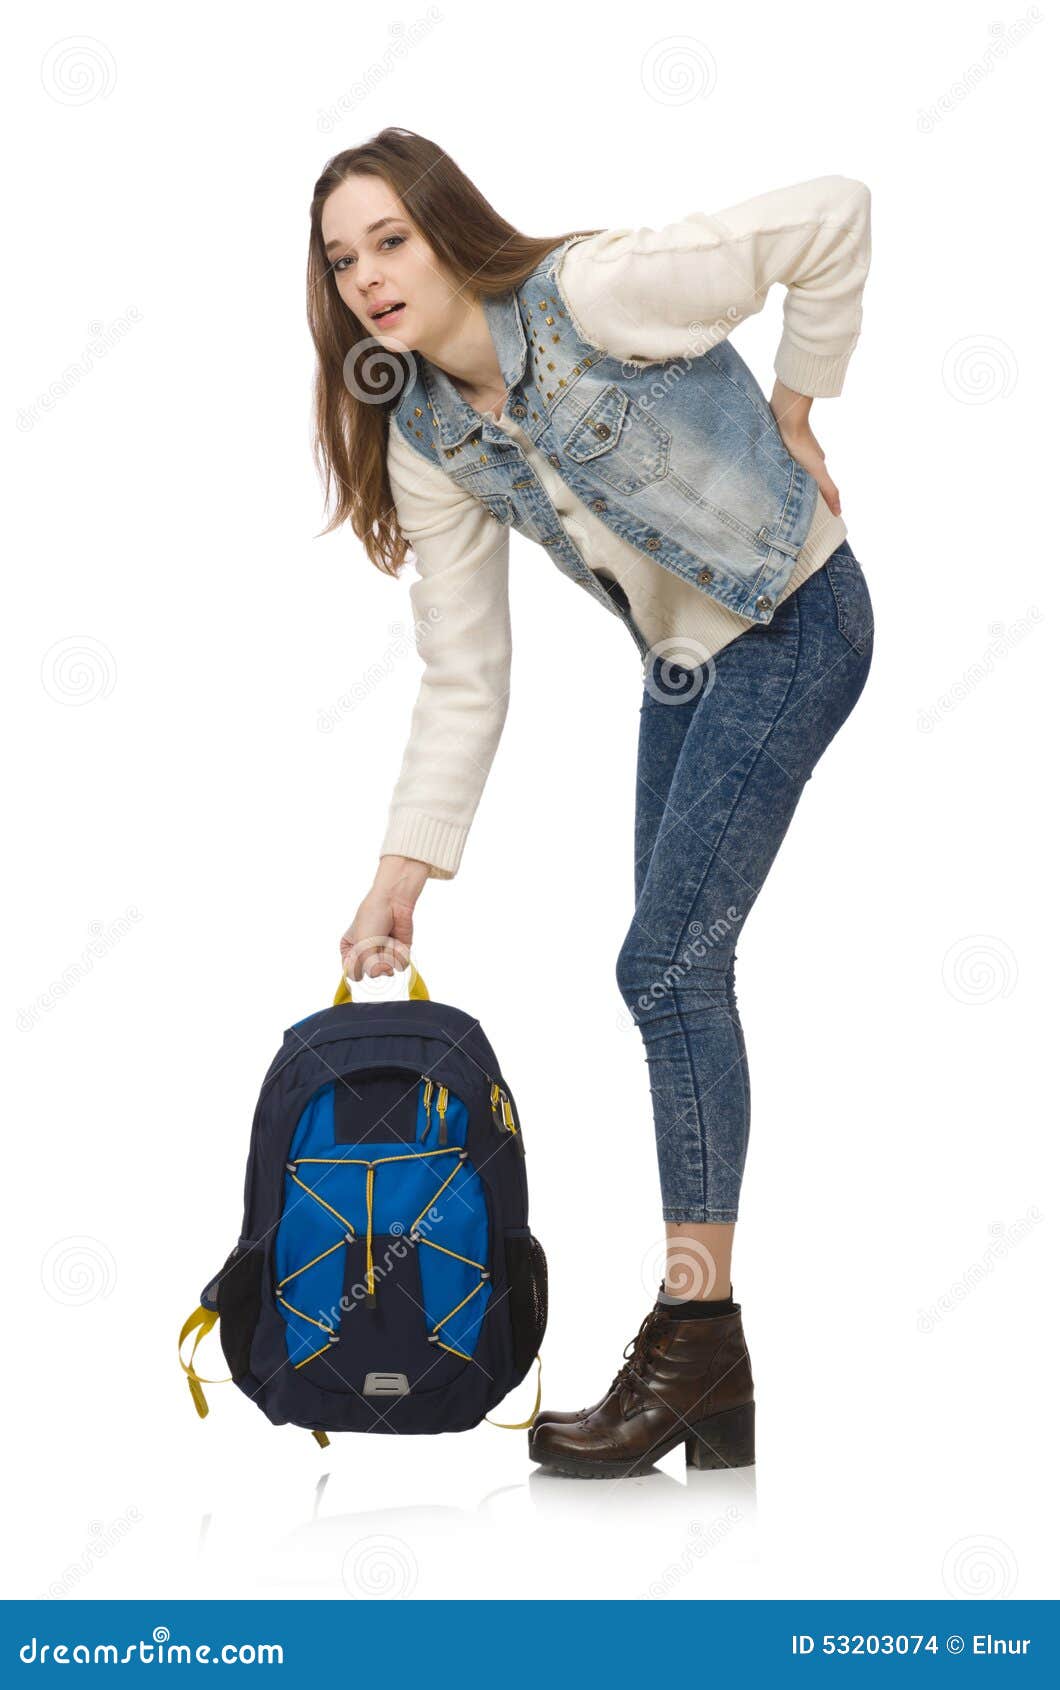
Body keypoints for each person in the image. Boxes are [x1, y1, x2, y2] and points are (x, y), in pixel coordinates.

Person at [308, 127, 874, 1477]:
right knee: (671, 972)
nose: (370, 277)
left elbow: (835, 210)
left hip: (796, 620)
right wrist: (404, 870)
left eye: (390, 238)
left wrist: (800, 405)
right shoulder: (428, 431)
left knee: (664, 964)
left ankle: (697, 1329)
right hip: (687, 666)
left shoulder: (594, 294)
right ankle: (715, 1381)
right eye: (341, 261)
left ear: (445, 227)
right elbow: (465, 672)